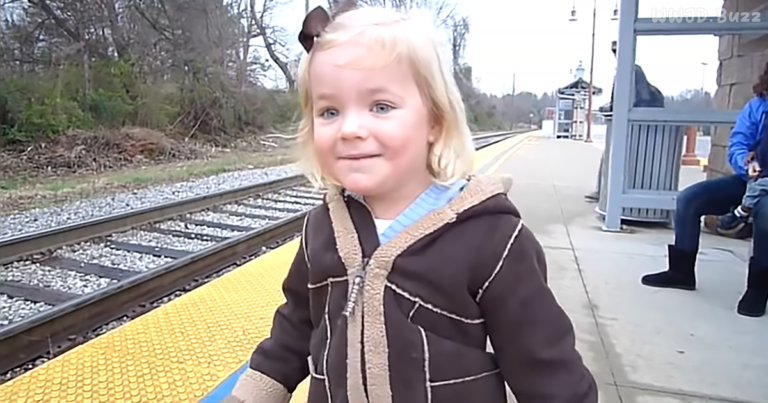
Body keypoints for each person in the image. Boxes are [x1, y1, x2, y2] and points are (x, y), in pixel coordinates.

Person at [224, 3, 598, 403]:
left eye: (380, 107)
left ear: (434, 121)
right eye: (329, 111)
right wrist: (253, 393)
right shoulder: (323, 228)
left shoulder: (493, 238)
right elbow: (296, 328)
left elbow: (546, 368)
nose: (350, 129)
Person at [640, 63, 768, 318]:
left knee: (765, 216)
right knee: (690, 199)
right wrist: (746, 162)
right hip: (751, 179)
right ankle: (681, 272)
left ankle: (757, 289)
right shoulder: (758, 106)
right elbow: (739, 142)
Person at [585, 41, 664, 202]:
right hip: (633, 123)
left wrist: (611, 109)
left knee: (612, 156)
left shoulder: (631, 71)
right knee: (609, 156)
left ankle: (605, 191)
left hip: (634, 126)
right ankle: (603, 189)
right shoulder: (627, 71)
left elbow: (636, 99)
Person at [716, 138, 767, 232]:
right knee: (754, 185)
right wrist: (753, 153)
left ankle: (742, 212)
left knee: (757, 189)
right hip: (759, 169)